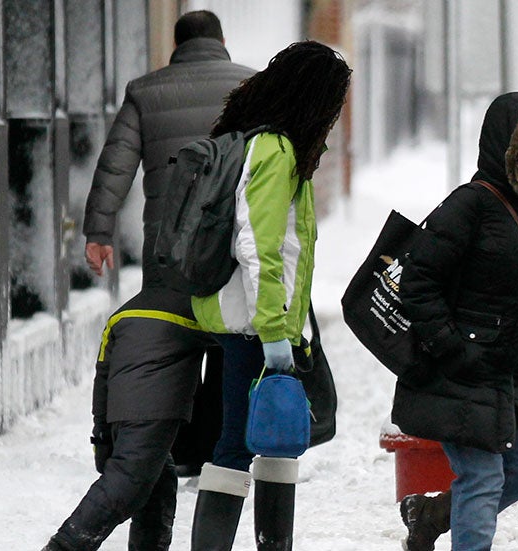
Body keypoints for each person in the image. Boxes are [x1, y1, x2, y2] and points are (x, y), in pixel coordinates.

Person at [392, 91, 518, 551]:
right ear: (513, 144)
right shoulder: (468, 206)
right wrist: (452, 347)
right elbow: (417, 280)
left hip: (508, 367)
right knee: (481, 475)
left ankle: (431, 514)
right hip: (459, 368)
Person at [187, 40, 351, 551]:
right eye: (331, 105)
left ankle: (274, 545)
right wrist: (276, 334)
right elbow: (258, 246)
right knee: (236, 441)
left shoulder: (275, 147)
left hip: (265, 322)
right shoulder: (275, 151)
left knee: (279, 440)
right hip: (252, 327)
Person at [82, 9, 256, 476]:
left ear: (175, 46)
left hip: (169, 244)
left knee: (173, 332)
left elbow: (114, 165)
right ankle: (217, 442)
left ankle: (172, 443)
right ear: (221, 40)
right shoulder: (252, 85)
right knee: (229, 335)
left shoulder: (145, 91)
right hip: (231, 243)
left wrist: (99, 232)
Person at [42, 289, 213, 550]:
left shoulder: (123, 313)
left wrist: (101, 434)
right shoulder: (191, 311)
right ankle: (64, 546)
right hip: (153, 409)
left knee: (158, 479)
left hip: (121, 412)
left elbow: (102, 374)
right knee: (127, 483)